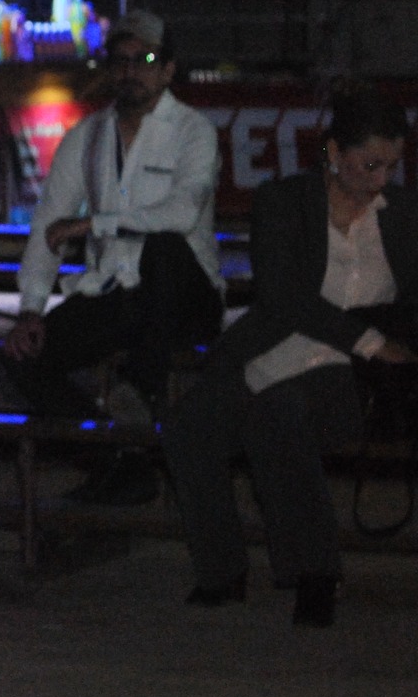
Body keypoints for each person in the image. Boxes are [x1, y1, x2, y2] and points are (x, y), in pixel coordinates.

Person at [163, 89, 417, 627]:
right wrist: (371, 337)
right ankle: (221, 570)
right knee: (190, 424)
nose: (380, 180)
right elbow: (284, 296)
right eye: (369, 164)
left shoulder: (403, 214)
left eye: (391, 166)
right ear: (332, 152)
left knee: (280, 413)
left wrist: (385, 348)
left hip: (348, 374)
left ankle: (315, 573)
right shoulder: (284, 201)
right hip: (275, 346)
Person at [6, 11, 222, 503]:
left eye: (145, 60)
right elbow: (48, 224)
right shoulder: (87, 136)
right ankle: (121, 458)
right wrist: (31, 309)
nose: (131, 71)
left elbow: (182, 212)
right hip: (117, 294)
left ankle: (138, 395)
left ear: (168, 69)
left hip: (184, 298)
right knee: (21, 354)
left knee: (164, 251)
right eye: (121, 61)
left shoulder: (193, 132)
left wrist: (94, 224)